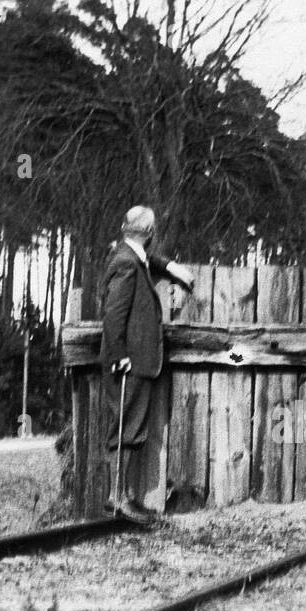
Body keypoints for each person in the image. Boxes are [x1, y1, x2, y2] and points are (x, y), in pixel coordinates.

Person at [99, 205, 194, 523]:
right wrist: (120, 356)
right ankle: (116, 497)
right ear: (150, 233)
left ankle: (124, 496)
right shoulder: (127, 263)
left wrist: (171, 267)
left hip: (135, 359)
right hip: (129, 361)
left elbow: (148, 259)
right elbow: (114, 315)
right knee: (126, 426)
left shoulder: (131, 255)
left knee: (132, 426)